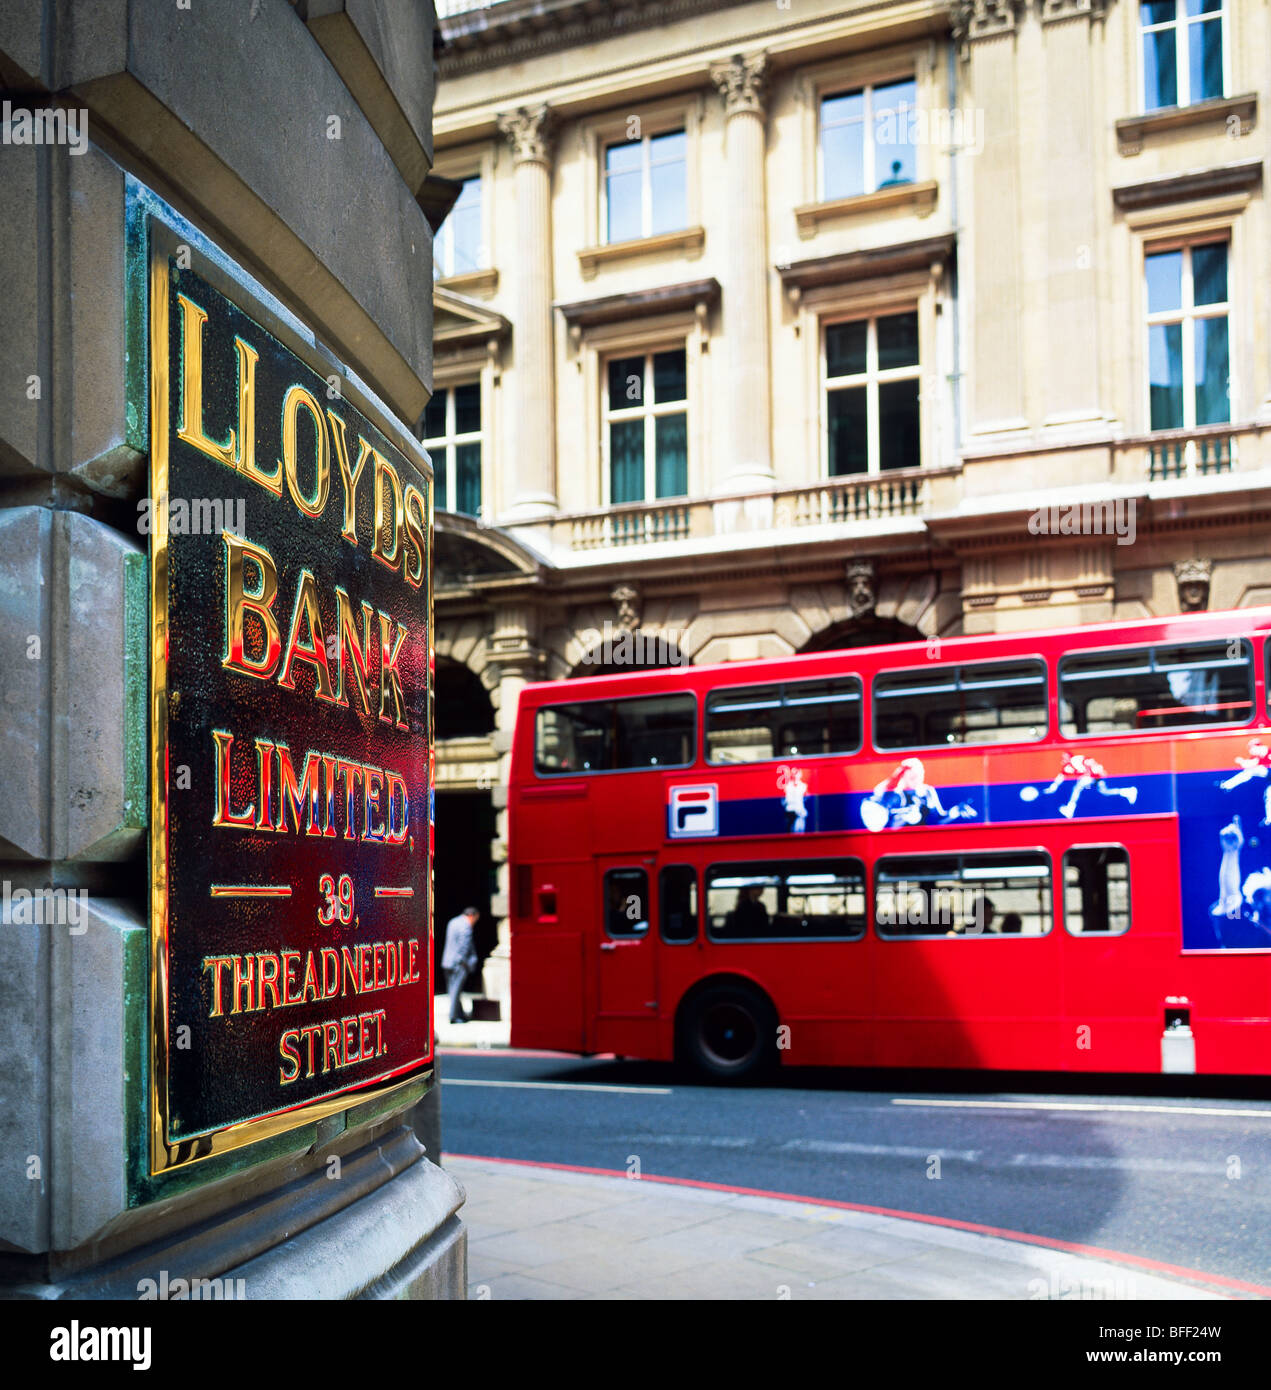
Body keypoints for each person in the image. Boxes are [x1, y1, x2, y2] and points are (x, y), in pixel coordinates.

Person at [442, 906, 480, 1025]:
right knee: (456, 990)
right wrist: (463, 962)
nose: (474, 922)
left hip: (447, 961)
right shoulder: (465, 926)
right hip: (458, 964)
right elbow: (464, 947)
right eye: (475, 919)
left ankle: (460, 1014)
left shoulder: (453, 922)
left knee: (452, 989)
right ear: (471, 916)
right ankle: (454, 1016)